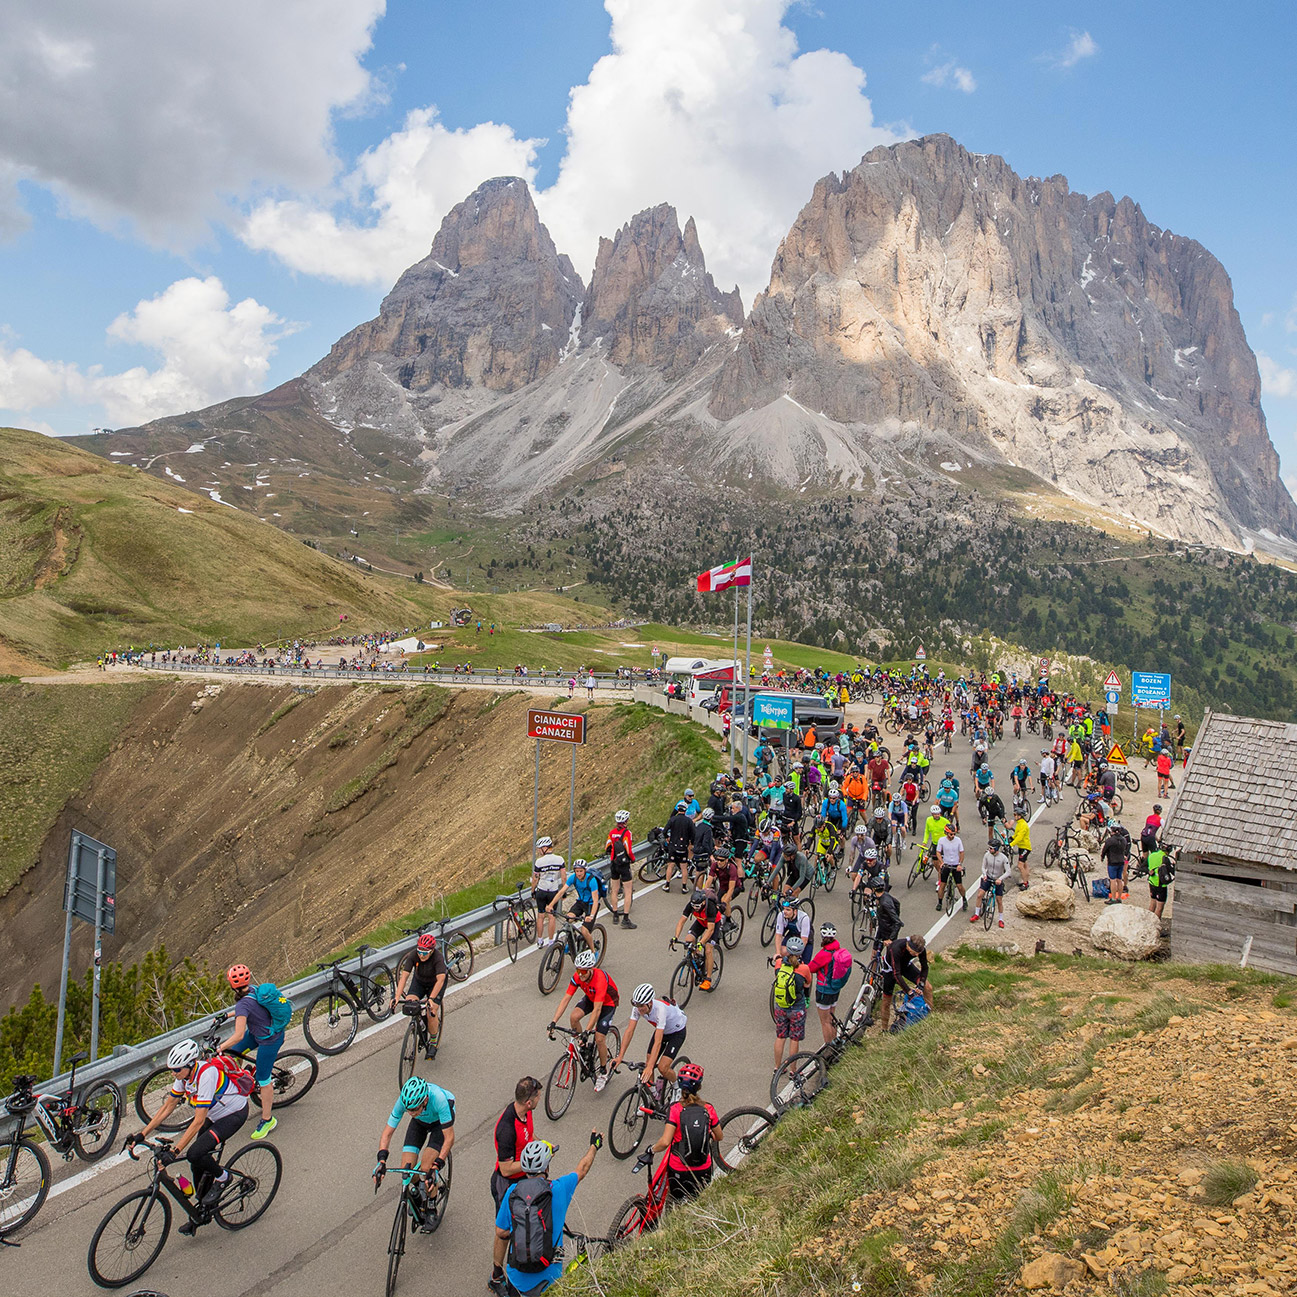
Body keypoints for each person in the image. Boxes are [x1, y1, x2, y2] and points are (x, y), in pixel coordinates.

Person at [128, 1038, 251, 1232]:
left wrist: (175, 1151)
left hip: (233, 1114)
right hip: (215, 1114)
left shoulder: (207, 1075)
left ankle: (224, 1177)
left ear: (191, 1065)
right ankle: (202, 1209)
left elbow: (198, 1122)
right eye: (172, 1069)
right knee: (196, 1163)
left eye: (177, 1070)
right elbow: (167, 1107)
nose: (173, 1074)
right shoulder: (184, 1078)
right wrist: (141, 1135)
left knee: (194, 1153)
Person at [491, 1134, 601, 1296]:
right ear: (547, 1168)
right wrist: (594, 1146)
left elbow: (501, 1232)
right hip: (549, 1278)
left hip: (517, 1278)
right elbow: (582, 1169)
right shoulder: (559, 1188)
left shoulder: (511, 1192)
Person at [373, 1075, 456, 1229]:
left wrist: (437, 1164)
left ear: (424, 1100)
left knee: (426, 1168)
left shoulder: (439, 1099)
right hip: (420, 1123)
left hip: (439, 1123)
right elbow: (387, 1133)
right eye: (408, 1110)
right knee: (407, 1169)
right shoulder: (406, 1103)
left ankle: (431, 1206)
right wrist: (381, 1160)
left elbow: (449, 1138)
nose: (410, 1112)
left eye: (413, 1109)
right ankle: (420, 1189)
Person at [217, 964, 288, 1139]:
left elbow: (238, 1035)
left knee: (264, 1080)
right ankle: (241, 1078)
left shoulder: (242, 1004)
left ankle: (267, 1119)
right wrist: (228, 1015)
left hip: (269, 1040)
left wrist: (219, 1047)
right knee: (232, 1053)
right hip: (258, 1033)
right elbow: (250, 1009)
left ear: (232, 986)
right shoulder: (254, 989)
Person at [638, 1062, 721, 1202]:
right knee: (699, 1200)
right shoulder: (708, 1108)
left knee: (674, 1201)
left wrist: (651, 1149)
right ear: (699, 1086)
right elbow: (719, 1136)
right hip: (703, 1168)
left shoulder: (675, 1109)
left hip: (679, 1169)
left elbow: (665, 1142)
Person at [548, 950, 620, 1090]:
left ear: (590, 969)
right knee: (574, 1017)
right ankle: (584, 1048)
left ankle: (604, 1071)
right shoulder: (578, 977)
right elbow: (566, 999)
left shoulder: (599, 980)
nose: (580, 974)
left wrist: (587, 1031)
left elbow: (597, 1010)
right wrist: (553, 1022)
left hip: (607, 1003)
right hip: (591, 997)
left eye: (583, 971)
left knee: (599, 1038)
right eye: (578, 970)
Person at [609, 983, 687, 1098]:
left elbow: (658, 1041)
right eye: (637, 1005)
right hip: (664, 1031)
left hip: (677, 1032)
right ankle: (653, 1096)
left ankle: (677, 1087)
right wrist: (620, 1056)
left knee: (662, 1067)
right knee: (648, 1062)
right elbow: (629, 1031)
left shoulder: (660, 1010)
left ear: (650, 1003)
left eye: (642, 1006)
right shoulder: (637, 1008)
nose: (639, 1009)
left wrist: (651, 1067)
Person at [394, 932, 448, 1060]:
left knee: (431, 1010)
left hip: (435, 983)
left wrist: (430, 999)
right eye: (419, 951)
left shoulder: (438, 958)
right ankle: (421, 1026)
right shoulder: (413, 955)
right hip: (419, 981)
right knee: (410, 1004)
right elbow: (404, 976)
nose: (421, 955)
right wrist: (396, 997)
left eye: (424, 952)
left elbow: (440, 980)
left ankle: (433, 1041)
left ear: (431, 951)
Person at [492, 1076, 542, 1208]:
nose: (540, 1099)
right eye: (538, 1097)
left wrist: (542, 1146)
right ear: (528, 1103)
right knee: (507, 1228)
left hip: (525, 1177)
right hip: (508, 1185)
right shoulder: (506, 1130)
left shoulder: (526, 1112)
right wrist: (536, 1160)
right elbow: (506, 1170)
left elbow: (529, 1135)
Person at [807, 923, 853, 1045]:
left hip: (823, 990)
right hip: (835, 989)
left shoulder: (823, 954)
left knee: (825, 1021)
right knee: (832, 1017)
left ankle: (829, 1047)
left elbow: (810, 968)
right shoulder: (838, 950)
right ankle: (835, 1041)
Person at [771, 936, 811, 1069]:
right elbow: (807, 984)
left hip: (781, 1005)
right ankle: (793, 1070)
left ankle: (777, 1067)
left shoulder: (779, 964)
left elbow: (777, 976)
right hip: (797, 1007)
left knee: (781, 1037)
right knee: (794, 1039)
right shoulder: (804, 968)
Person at [552, 859, 606, 955]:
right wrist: (551, 905)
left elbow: (595, 900)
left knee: (584, 931)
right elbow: (561, 892)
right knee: (568, 920)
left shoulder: (591, 880)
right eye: (577, 871)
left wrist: (591, 916)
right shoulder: (573, 878)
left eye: (581, 871)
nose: (579, 873)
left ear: (585, 870)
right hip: (580, 902)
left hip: (591, 905)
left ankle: (593, 951)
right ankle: (572, 942)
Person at [879, 933, 929, 1032]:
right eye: (914, 953)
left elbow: (925, 967)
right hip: (890, 970)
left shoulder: (920, 949)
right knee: (886, 1000)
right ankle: (884, 1029)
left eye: (918, 953)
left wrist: (921, 986)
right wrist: (908, 991)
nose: (917, 955)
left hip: (905, 965)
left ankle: (929, 1015)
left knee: (928, 987)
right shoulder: (896, 948)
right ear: (908, 945)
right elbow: (896, 974)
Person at [672, 887, 719, 992]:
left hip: (713, 924)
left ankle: (708, 978)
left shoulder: (710, 907)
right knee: (689, 939)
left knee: (708, 949)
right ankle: (696, 959)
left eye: (697, 906)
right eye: (693, 906)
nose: (695, 908)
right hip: (701, 922)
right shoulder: (691, 905)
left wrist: (701, 943)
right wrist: (675, 937)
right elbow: (681, 922)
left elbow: (710, 930)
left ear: (703, 903)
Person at [531, 838, 566, 948]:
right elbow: (564, 877)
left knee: (540, 916)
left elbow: (535, 878)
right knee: (551, 917)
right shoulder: (560, 859)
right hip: (553, 891)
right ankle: (551, 941)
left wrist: (533, 891)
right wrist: (563, 892)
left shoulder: (539, 862)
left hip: (541, 890)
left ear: (544, 848)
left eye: (539, 849)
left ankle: (540, 940)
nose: (539, 852)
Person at [606, 810, 637, 929]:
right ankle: (625, 919)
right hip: (624, 865)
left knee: (614, 889)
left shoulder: (612, 832)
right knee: (628, 891)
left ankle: (615, 914)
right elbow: (628, 849)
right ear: (626, 821)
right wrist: (633, 859)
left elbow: (607, 846)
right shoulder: (627, 833)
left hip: (614, 863)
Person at [971, 843, 1011, 928]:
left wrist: (1000, 879)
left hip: (998, 879)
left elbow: (1008, 872)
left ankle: (1001, 919)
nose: (989, 849)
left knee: (999, 900)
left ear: (996, 849)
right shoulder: (987, 855)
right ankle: (976, 914)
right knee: (980, 895)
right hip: (988, 877)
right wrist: (984, 875)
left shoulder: (1003, 858)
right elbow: (983, 867)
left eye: (991, 848)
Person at [663, 800, 696, 893]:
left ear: (678, 809)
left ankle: (667, 885)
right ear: (685, 810)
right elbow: (693, 834)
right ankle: (684, 887)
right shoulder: (689, 821)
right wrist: (691, 842)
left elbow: (664, 831)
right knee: (684, 867)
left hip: (673, 846)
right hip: (684, 846)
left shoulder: (672, 819)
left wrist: (667, 837)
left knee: (670, 865)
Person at [934, 820, 967, 911]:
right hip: (946, 864)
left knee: (959, 885)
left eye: (954, 834)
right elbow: (938, 852)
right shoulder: (942, 840)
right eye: (951, 834)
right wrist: (941, 862)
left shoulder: (958, 840)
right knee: (942, 885)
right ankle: (940, 902)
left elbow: (961, 852)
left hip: (956, 865)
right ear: (946, 833)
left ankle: (964, 899)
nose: (953, 836)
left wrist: (960, 864)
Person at [773, 894, 814, 961]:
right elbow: (778, 935)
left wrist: (797, 956)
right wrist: (778, 954)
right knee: (782, 951)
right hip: (792, 934)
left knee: (805, 966)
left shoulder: (804, 918)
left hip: (805, 939)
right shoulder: (781, 915)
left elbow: (804, 940)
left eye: (788, 910)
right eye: (784, 909)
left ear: (795, 911)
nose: (785, 912)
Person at [1101, 824, 1130, 905]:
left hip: (1112, 861)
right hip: (1121, 861)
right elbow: (1125, 849)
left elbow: (1105, 850)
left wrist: (1102, 857)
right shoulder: (1123, 840)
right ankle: (1119, 898)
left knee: (1113, 880)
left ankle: (1113, 898)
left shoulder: (1110, 841)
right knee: (1119, 880)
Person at [1146, 845, 1175, 919]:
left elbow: (1145, 866)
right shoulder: (1165, 859)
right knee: (1159, 907)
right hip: (1160, 885)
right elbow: (1173, 872)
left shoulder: (1152, 855)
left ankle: (1148, 922)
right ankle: (1155, 925)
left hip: (1151, 882)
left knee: (1152, 903)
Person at [1010, 811, 1032, 890]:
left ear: (1020, 816)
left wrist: (1011, 844)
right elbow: (1016, 834)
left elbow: (1020, 837)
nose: (1014, 816)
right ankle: (1025, 880)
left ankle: (1025, 883)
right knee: (1025, 864)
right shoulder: (1019, 823)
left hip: (1025, 847)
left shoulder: (1023, 825)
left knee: (1020, 865)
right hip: (1021, 847)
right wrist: (1012, 838)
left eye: (1015, 815)